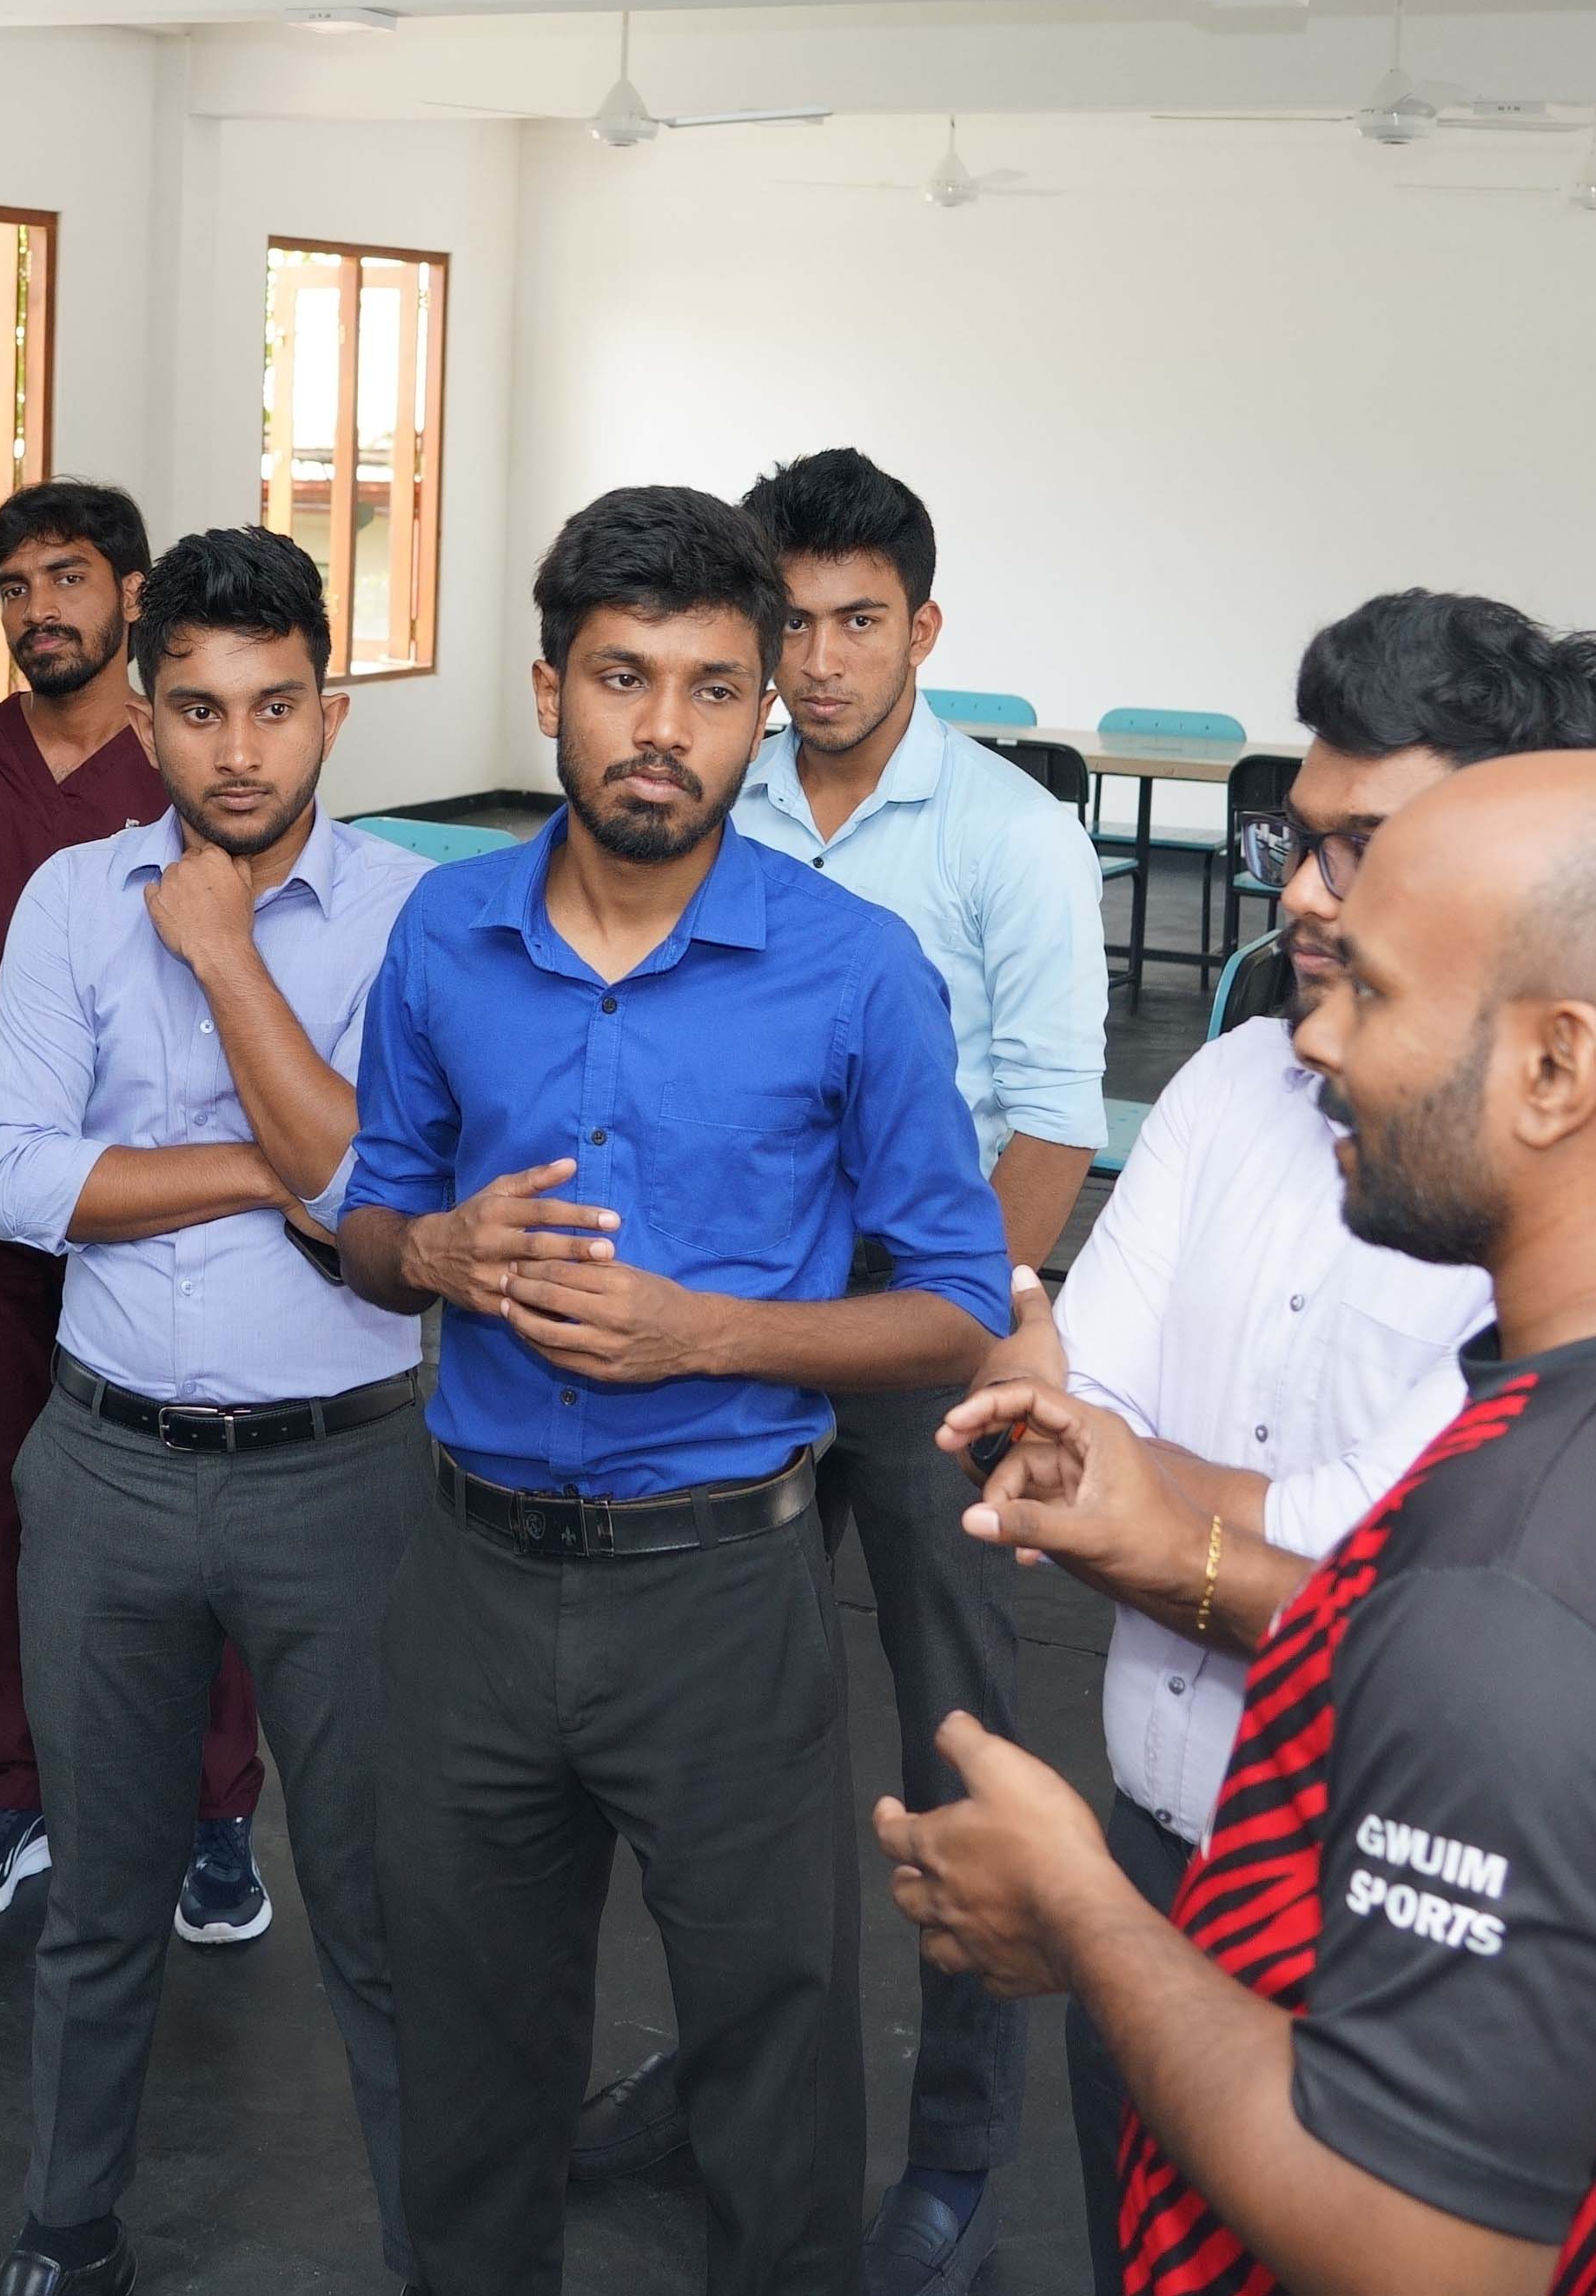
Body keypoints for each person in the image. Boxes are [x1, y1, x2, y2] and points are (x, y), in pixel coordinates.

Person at [887, 751, 1596, 2296]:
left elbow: (1423, 2255)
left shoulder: (1517, 1584)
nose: (1313, 1033)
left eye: (1372, 995)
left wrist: (1085, 1909)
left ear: (1555, 1069)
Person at [337, 486, 1014, 2296]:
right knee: (470, 2071)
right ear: (547, 683)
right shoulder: (442, 934)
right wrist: (430, 1255)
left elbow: (953, 1307)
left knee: (770, 2064)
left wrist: (697, 1332)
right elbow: (365, 1219)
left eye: (715, 687)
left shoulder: (851, 968)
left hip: (723, 1592)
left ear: (762, 704)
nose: (664, 729)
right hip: (471, 1583)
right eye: (623, 677)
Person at [997, 589, 1596, 2296]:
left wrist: (1142, 1515)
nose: (1296, 890)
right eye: (1301, 837)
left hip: (1395, 1906)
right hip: (1155, 1856)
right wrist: (1197, 1520)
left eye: (1362, 847)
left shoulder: (1580, 1220)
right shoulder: (1221, 1087)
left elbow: (1405, 1624)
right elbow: (1084, 1433)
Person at [574, 445, 1108, 2292]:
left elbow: (1043, 1125)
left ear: (922, 627)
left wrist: (978, 1311)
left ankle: (954, 2154)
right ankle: (715, 2079)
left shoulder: (1006, 835)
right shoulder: (717, 795)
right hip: (735, 1321)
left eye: (853, 623)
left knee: (956, 1740)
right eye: (784, 625)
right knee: (724, 1737)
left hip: (923, 1333)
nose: (813, 662)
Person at [0, 528, 430, 2296]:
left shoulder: (412, 917)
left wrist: (226, 957)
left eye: (273, 706)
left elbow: (389, 1184)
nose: (237, 750)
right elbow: (19, 1175)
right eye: (195, 710)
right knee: (97, 1897)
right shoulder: (70, 899)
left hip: (348, 1476)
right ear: (146, 718)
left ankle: (430, 2244)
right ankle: (63, 2226)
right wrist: (271, 1164)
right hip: (106, 1465)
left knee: (384, 1907)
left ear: (330, 706)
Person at [0, 481, 274, 1946]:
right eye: (17, 584)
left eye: (71, 578)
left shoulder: (191, 753)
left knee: (201, 1521)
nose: (43, 607)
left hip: (169, 1217)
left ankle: (216, 1816)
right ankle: (12, 1788)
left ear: (132, 593)